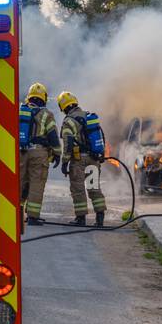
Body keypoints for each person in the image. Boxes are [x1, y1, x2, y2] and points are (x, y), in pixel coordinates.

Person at [58, 91, 106, 227]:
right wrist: (100, 155)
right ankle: (100, 219)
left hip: (78, 160)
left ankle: (80, 219)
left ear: (63, 107)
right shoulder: (88, 116)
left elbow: (68, 144)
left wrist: (64, 162)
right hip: (93, 158)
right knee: (94, 187)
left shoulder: (68, 121)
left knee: (78, 188)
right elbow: (101, 136)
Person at [19, 82, 58, 226]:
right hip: (39, 152)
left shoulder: (19, 110)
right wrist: (57, 153)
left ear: (29, 97)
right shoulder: (46, 114)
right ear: (44, 98)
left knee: (19, 182)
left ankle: (14, 214)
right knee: (37, 183)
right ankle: (33, 217)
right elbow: (53, 136)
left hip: (20, 152)